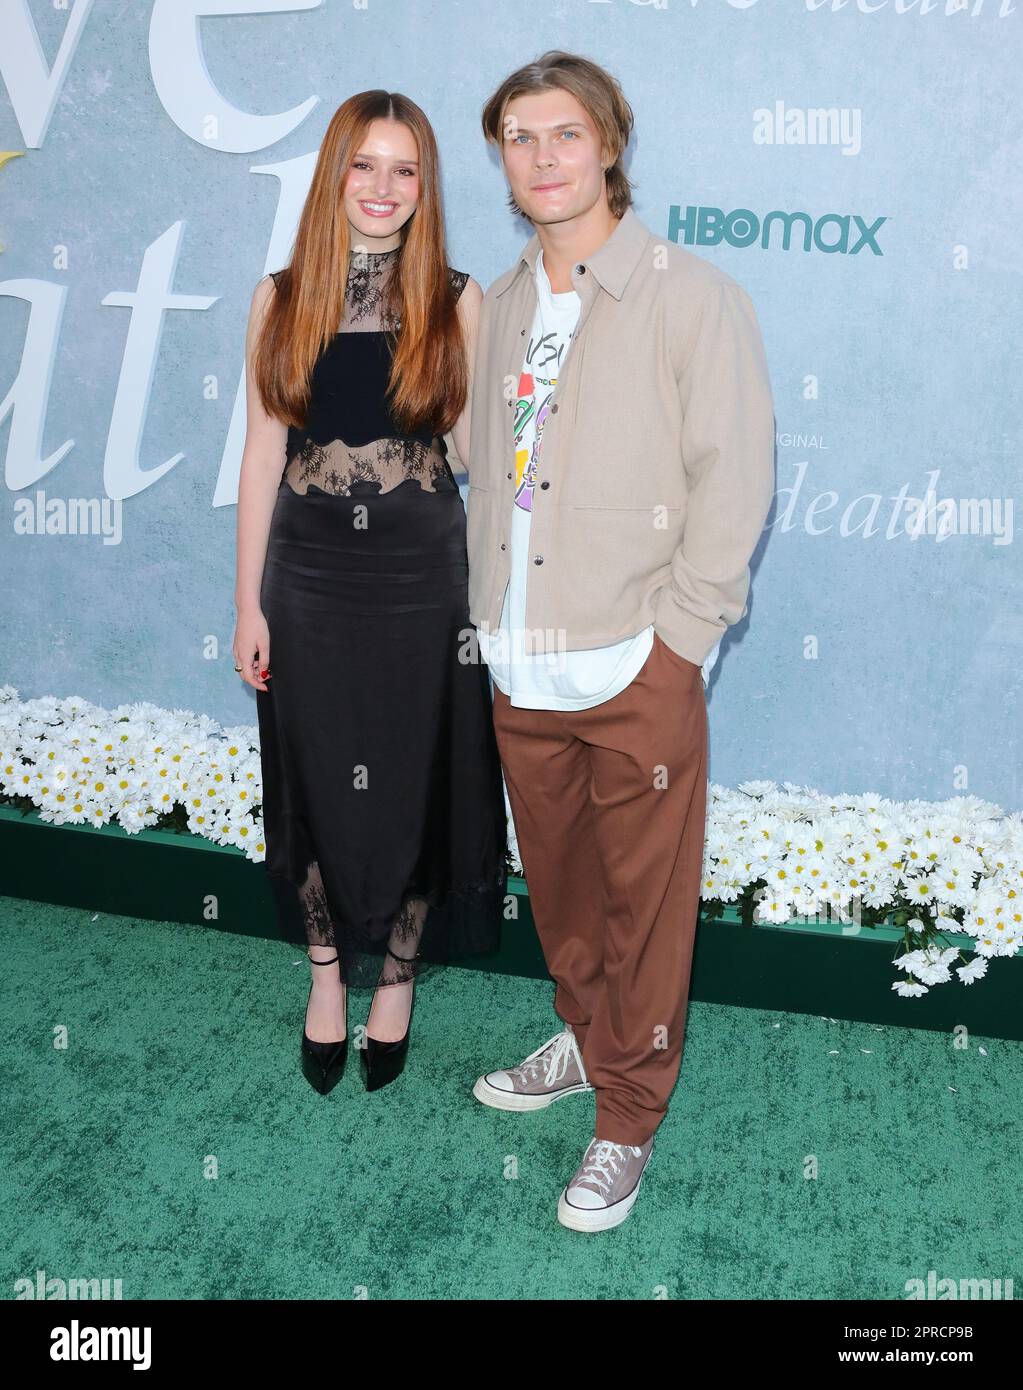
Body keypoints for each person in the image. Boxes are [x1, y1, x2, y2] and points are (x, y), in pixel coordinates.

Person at [467, 52, 775, 1230]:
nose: (543, 157)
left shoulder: (690, 296)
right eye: (519, 137)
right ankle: (589, 1040)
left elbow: (733, 477)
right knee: (562, 889)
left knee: (646, 904)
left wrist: (680, 644)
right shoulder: (491, 308)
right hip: (520, 656)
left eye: (565, 134)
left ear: (608, 145)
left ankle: (627, 1117)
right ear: (501, 158)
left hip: (635, 663)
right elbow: (480, 470)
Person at [232, 90, 507, 1097]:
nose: (384, 189)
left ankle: (395, 983)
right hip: (306, 579)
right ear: (334, 174)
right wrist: (246, 603)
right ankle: (323, 979)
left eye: (406, 170)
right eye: (365, 165)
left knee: (413, 778)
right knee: (311, 777)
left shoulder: (459, 299)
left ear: (425, 187)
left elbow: (476, 455)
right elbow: (262, 457)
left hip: (423, 582)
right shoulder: (279, 296)